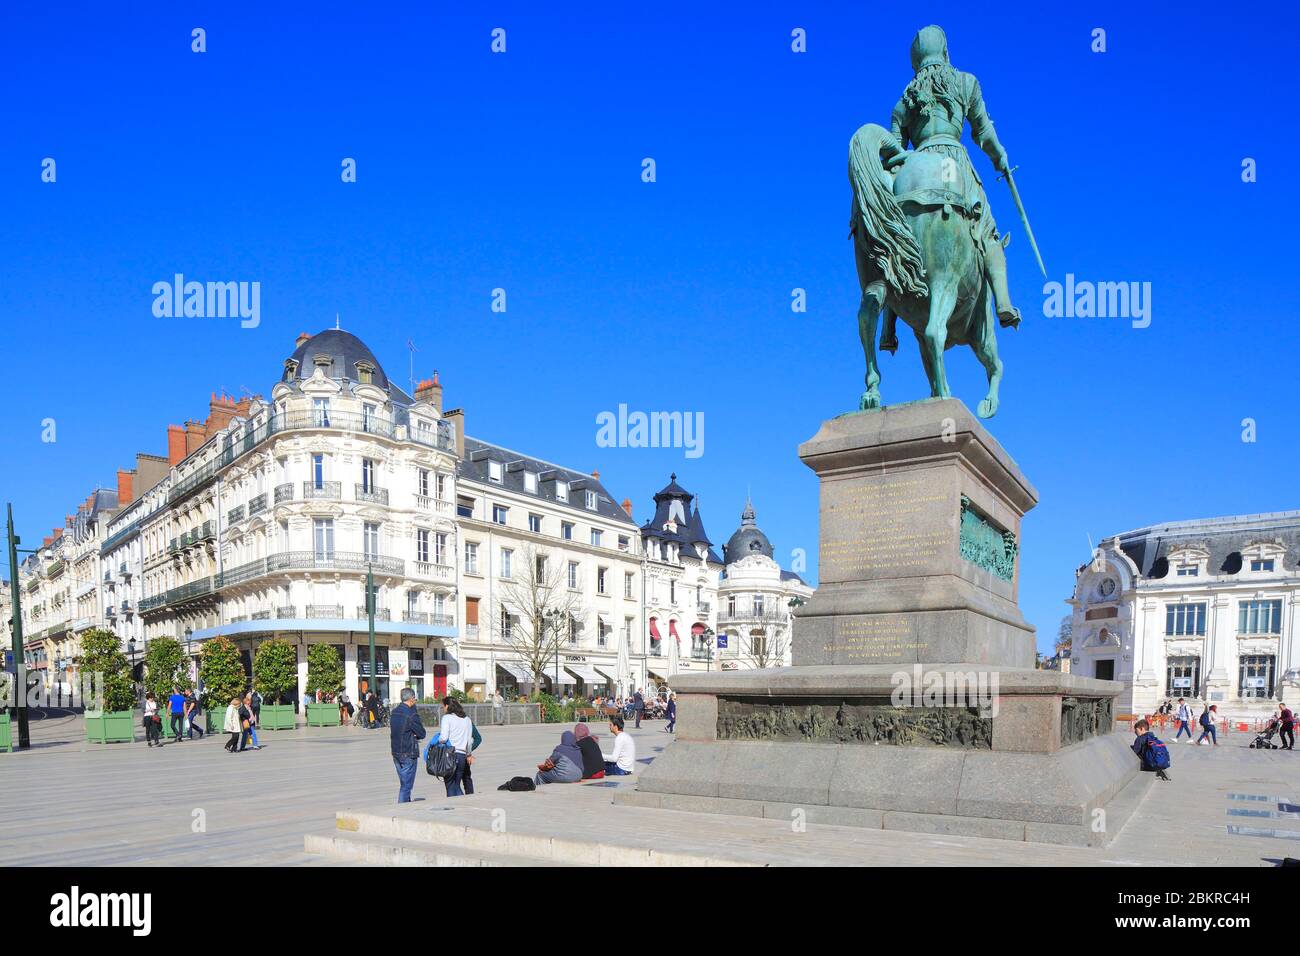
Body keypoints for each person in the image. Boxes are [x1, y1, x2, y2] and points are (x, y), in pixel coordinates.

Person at [876, 24, 1021, 358]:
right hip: (953, 164)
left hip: (916, 159)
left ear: (915, 61)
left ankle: (889, 325)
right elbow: (983, 133)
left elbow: (895, 153)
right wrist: (1000, 159)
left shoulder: (904, 101)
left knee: (892, 239)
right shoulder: (965, 82)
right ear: (945, 52)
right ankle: (1003, 302)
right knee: (986, 232)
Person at [433, 696, 476, 796]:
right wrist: (468, 754)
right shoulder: (467, 719)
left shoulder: (447, 718)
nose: (443, 709)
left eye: (443, 706)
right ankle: (461, 805)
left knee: (450, 785)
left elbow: (443, 738)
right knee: (456, 784)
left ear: (447, 706)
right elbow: (470, 740)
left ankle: (454, 807)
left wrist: (437, 739)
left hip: (450, 755)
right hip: (462, 756)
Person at [389, 687, 425, 803]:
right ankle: (402, 809)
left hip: (396, 752)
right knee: (406, 786)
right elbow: (422, 733)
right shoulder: (411, 714)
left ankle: (406, 804)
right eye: (415, 698)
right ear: (412, 699)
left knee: (404, 783)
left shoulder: (394, 712)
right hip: (408, 752)